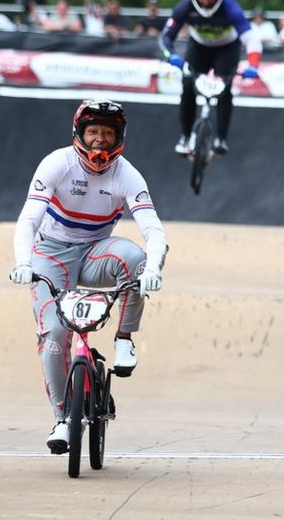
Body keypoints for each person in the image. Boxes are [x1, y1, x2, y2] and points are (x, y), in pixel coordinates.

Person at [9, 99, 168, 453]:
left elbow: (153, 229)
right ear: (79, 134)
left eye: (107, 133)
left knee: (137, 261)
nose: (99, 139)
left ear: (118, 138)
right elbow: (29, 219)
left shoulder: (127, 174)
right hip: (52, 253)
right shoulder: (57, 163)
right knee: (54, 333)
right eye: (93, 131)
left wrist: (153, 269)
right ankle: (63, 420)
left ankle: (124, 339)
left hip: (97, 251)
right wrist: (23, 261)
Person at [160, 0, 262, 157]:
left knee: (225, 90)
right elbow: (166, 36)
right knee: (188, 87)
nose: (206, 2)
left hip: (227, 49)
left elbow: (251, 39)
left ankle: (221, 138)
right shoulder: (185, 7)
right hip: (198, 48)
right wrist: (171, 55)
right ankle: (185, 137)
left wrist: (253, 65)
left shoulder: (232, 9)